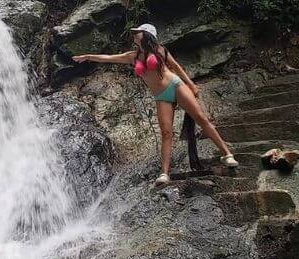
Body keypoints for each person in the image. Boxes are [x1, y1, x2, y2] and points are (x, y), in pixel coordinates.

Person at [72, 23, 238, 186]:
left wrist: (192, 85)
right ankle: (164, 173)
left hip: (176, 85)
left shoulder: (160, 50)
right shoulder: (133, 56)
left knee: (201, 118)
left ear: (147, 35)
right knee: (166, 133)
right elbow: (109, 58)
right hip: (161, 96)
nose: (135, 34)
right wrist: (87, 56)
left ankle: (227, 154)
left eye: (138, 31)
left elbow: (176, 68)